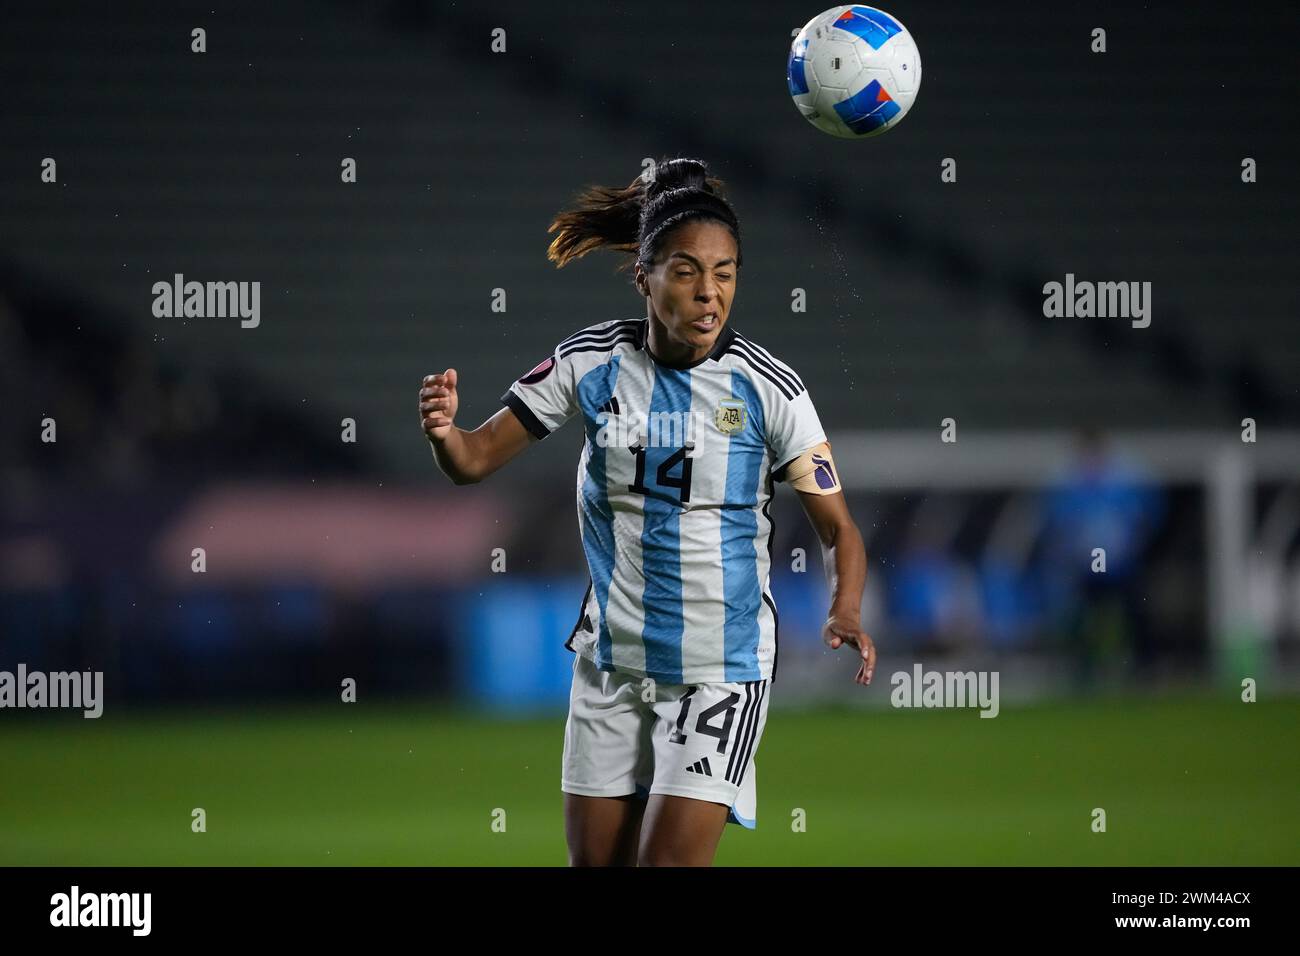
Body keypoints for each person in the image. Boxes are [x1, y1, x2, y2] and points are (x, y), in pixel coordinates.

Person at [419, 157, 874, 866]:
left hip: (719, 668)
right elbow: (475, 460)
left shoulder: (770, 390)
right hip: (611, 665)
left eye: (725, 273)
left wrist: (845, 608)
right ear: (645, 277)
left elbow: (838, 528)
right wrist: (447, 434)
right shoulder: (591, 363)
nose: (709, 293)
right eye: (687, 271)